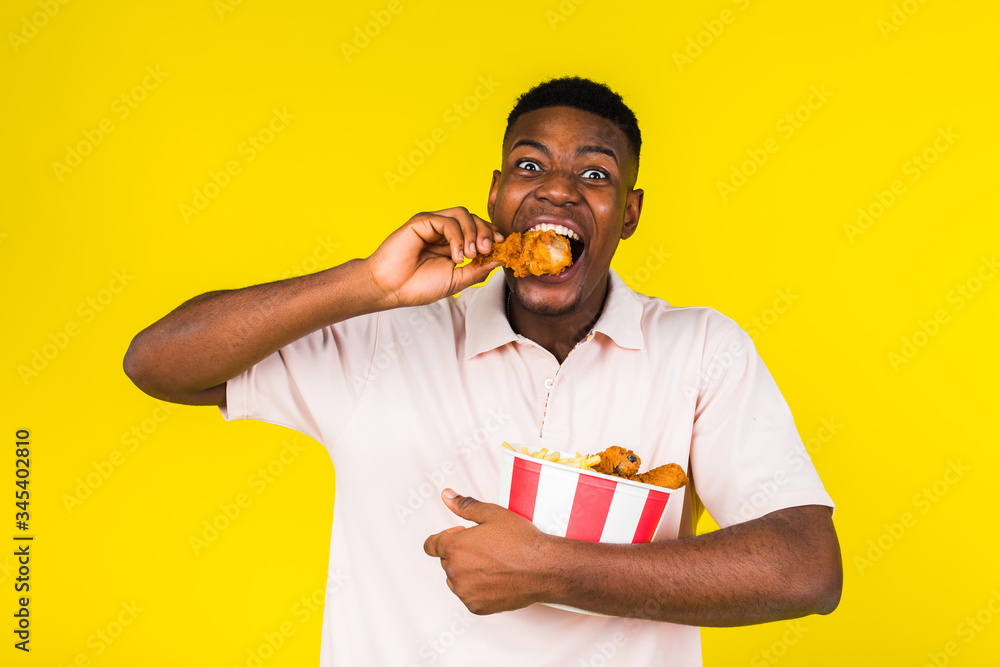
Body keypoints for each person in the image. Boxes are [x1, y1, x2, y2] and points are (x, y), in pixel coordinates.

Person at [124, 77, 842, 666]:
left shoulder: (698, 349)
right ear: (496, 193)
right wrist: (369, 285)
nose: (558, 189)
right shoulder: (384, 338)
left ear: (628, 213)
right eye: (531, 166)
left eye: (595, 174)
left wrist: (557, 569)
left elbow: (807, 567)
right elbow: (157, 363)